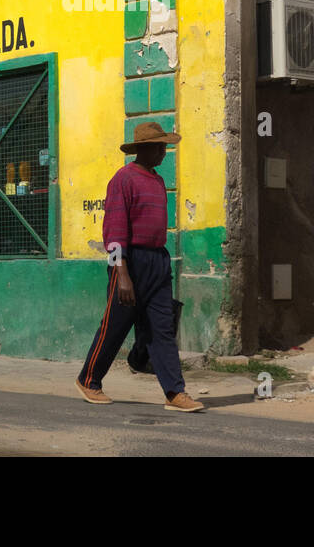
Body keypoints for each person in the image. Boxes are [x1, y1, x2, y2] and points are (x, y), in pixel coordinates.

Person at [76, 122, 204, 412]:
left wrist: (160, 262)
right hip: (128, 262)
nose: (163, 151)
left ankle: (175, 392)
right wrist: (122, 274)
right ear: (144, 149)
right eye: (159, 146)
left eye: (164, 145)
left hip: (157, 261)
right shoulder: (123, 180)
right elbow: (114, 232)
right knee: (115, 326)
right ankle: (89, 380)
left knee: (162, 328)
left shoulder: (157, 181)